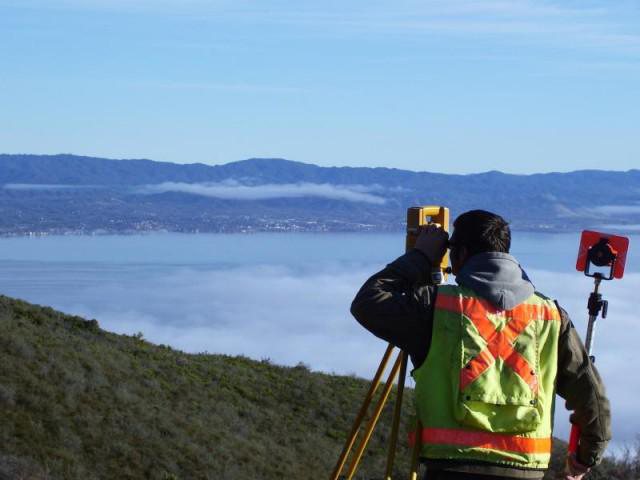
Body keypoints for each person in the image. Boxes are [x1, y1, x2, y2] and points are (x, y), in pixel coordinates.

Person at [351, 210, 610, 480]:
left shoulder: (436, 306)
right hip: (526, 469)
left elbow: (368, 302)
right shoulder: (550, 315)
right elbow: (591, 393)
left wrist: (421, 257)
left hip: (450, 469)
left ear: (461, 254)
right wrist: (584, 458)